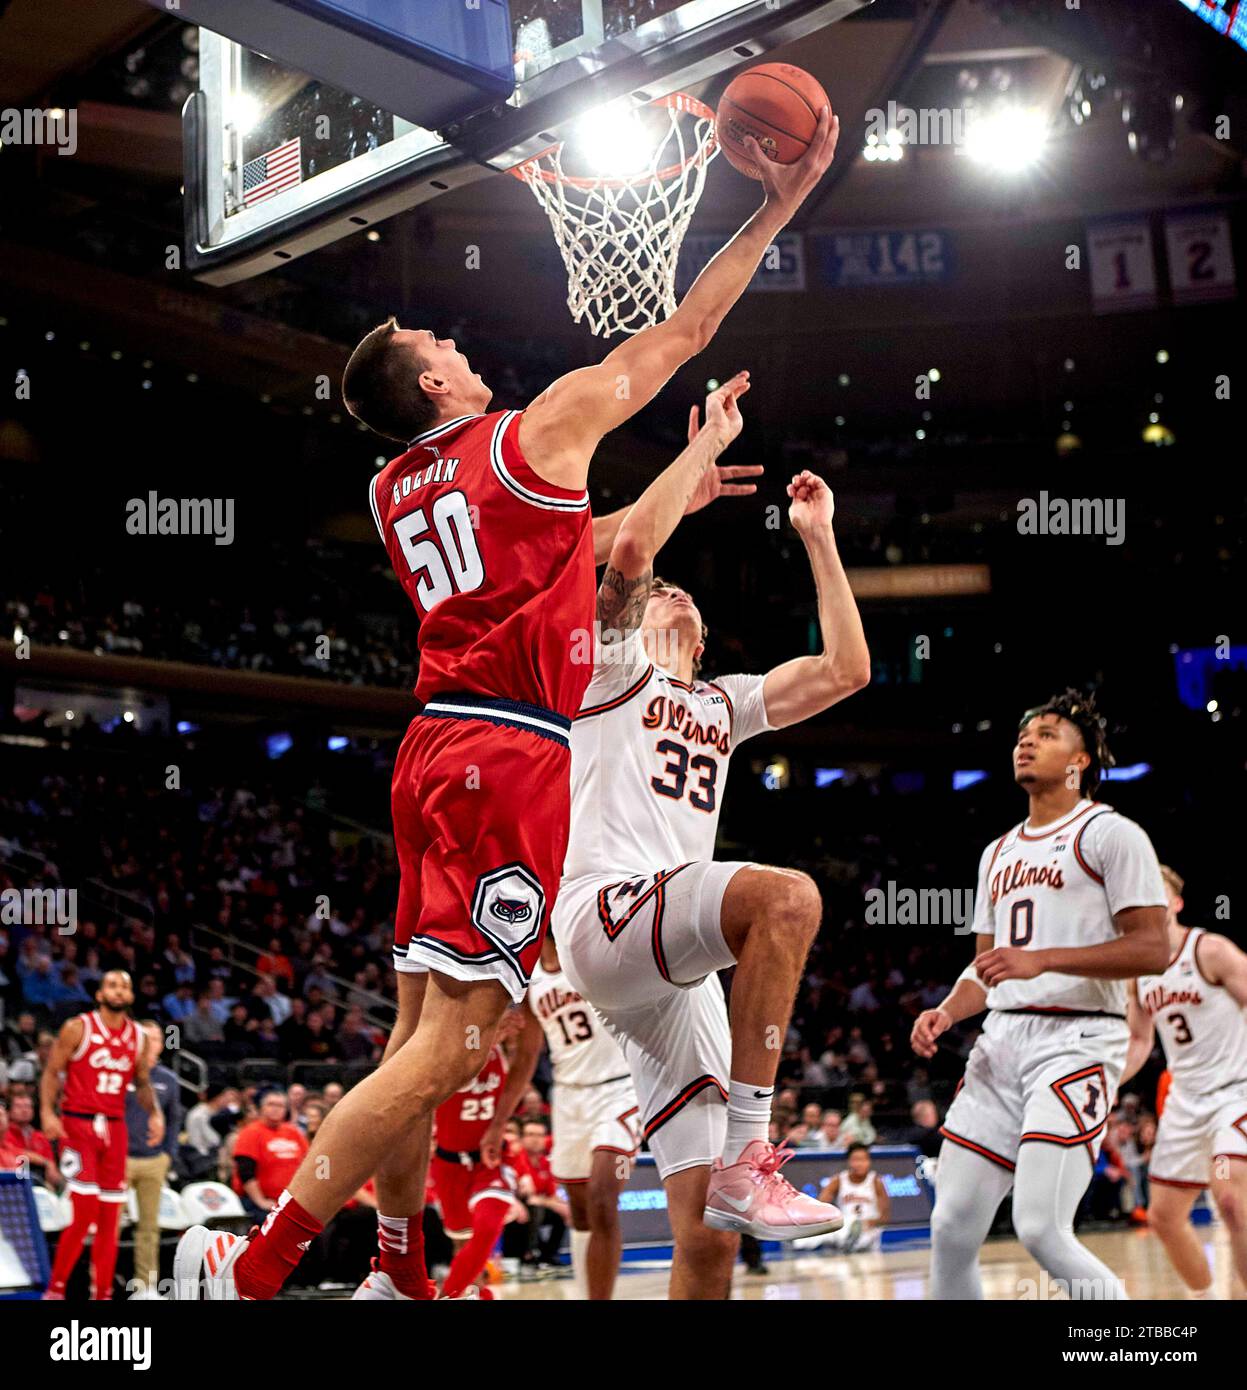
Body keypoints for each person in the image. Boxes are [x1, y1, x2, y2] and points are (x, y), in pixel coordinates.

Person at [174, 103, 840, 1302]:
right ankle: (256, 1265)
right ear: (432, 378)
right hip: (507, 754)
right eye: (441, 340)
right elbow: (685, 327)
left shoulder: (394, 487)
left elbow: (594, 544)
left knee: (412, 1031)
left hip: (428, 748)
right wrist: (781, 202)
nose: (462, 346)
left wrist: (681, 480)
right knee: (447, 1045)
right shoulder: (536, 430)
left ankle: (397, 1271)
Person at [555, 393, 870, 1296]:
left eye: (681, 593)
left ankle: (731, 1175)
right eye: (664, 589)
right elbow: (625, 551)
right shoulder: (606, 671)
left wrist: (818, 537)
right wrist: (701, 456)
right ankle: (752, 1151)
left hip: (666, 967)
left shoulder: (720, 703)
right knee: (787, 897)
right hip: (605, 912)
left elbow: (846, 671)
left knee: (707, 1239)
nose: (672, 590)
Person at [912, 689, 1168, 1300]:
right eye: (1024, 734)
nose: (1027, 741)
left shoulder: (1112, 833)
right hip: (1001, 1043)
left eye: (1048, 734)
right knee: (949, 1226)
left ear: (1080, 762)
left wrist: (1044, 959)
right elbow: (987, 967)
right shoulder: (996, 852)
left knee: (1041, 1227)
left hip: (1077, 1039)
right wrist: (947, 1011)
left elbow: (1153, 947)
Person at [491, 931, 640, 1299]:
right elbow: (526, 1057)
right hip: (569, 1098)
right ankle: (588, 1291)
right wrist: (497, 1123)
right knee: (580, 1211)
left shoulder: (591, 952)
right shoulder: (531, 980)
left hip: (619, 1086)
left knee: (603, 1198)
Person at [1125, 865, 1247, 1297]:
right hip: (1185, 1099)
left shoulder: (1209, 949)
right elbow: (1139, 1041)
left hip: (1236, 1091)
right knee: (1163, 1217)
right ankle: (1205, 1297)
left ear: (1175, 904)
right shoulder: (1138, 974)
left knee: (1230, 1197)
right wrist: (1107, 1082)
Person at [355, 1017, 527, 1301]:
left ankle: (450, 1294)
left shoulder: (505, 1048)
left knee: (486, 1230)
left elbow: (526, 1045)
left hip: (490, 1159)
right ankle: (471, 1292)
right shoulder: (449, 1053)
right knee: (462, 1242)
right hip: (449, 1163)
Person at [40, 971, 164, 1300]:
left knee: (111, 1219)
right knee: (83, 1216)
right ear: (99, 993)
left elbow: (141, 1081)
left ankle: (103, 1294)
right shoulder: (78, 1027)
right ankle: (56, 1290)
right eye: (112, 985)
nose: (118, 991)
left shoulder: (138, 1036)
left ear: (131, 997)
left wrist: (155, 1114)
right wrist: (48, 1113)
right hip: (78, 1125)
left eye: (125, 986)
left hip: (115, 1127)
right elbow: (52, 1071)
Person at [125, 1020, 183, 1297]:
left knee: (150, 1229)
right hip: (119, 1160)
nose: (152, 1042)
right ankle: (99, 1286)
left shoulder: (168, 1079)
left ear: (161, 1044)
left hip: (153, 1160)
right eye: (145, 1037)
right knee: (108, 1227)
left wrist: (168, 1154)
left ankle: (145, 1287)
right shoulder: (121, 1073)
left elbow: (174, 1121)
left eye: (157, 1038)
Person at [794, 1142, 890, 1253]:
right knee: (830, 1232)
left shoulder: (876, 1182)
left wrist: (866, 1223)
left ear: (869, 1162)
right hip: (845, 1226)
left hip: (869, 1230)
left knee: (859, 1235)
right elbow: (820, 1208)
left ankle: (852, 1238)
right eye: (856, 1160)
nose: (860, 1164)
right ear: (849, 1161)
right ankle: (795, 1241)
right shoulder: (838, 1180)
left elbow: (884, 1218)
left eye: (864, 1160)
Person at [231, 1089, 308, 1221]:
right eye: (271, 1104)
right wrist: (260, 1201)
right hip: (260, 1202)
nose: (276, 1109)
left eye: (280, 1106)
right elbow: (246, 1172)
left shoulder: (293, 1132)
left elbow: (308, 1163)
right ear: (261, 1108)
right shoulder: (250, 1132)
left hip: (292, 1202)